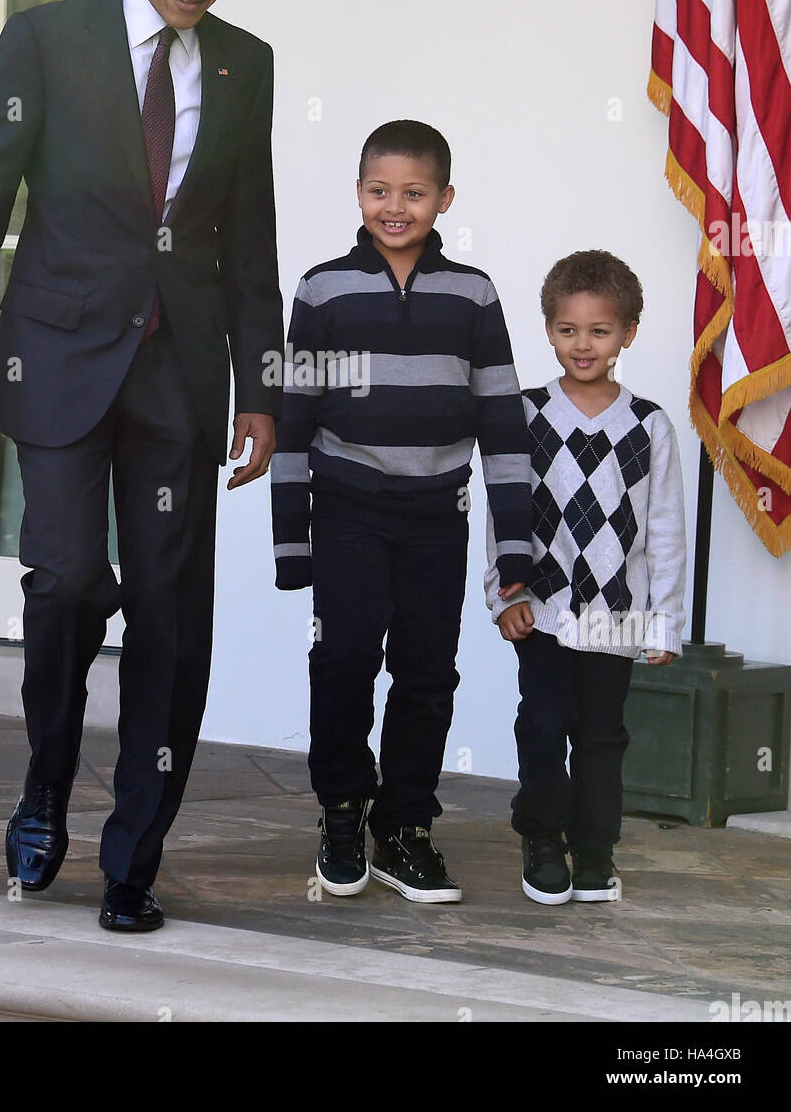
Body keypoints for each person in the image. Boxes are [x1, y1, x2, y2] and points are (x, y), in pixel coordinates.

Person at [0, 0, 283, 932]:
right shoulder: (47, 41)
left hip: (182, 373)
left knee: (173, 610)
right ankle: (44, 783)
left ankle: (135, 851)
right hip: (59, 357)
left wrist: (261, 388)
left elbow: (248, 233)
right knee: (70, 578)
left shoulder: (244, 65)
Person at [271, 120, 532, 903]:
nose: (395, 207)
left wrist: (513, 552)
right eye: (379, 191)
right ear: (357, 194)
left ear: (443, 199)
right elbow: (293, 418)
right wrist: (292, 542)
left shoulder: (472, 293)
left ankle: (405, 825)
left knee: (425, 672)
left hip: (435, 516)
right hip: (346, 510)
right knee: (343, 660)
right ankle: (343, 811)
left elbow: (502, 424)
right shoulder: (322, 289)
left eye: (414, 193)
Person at [485, 250, 686, 905]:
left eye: (599, 330)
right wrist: (503, 594)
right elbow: (502, 511)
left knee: (601, 736)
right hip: (541, 609)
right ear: (548, 329)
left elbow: (664, 532)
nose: (582, 343)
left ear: (627, 332)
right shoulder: (526, 414)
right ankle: (542, 837)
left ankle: (595, 851)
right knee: (541, 723)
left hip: (617, 614)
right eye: (568, 329)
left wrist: (666, 621)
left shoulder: (647, 424)